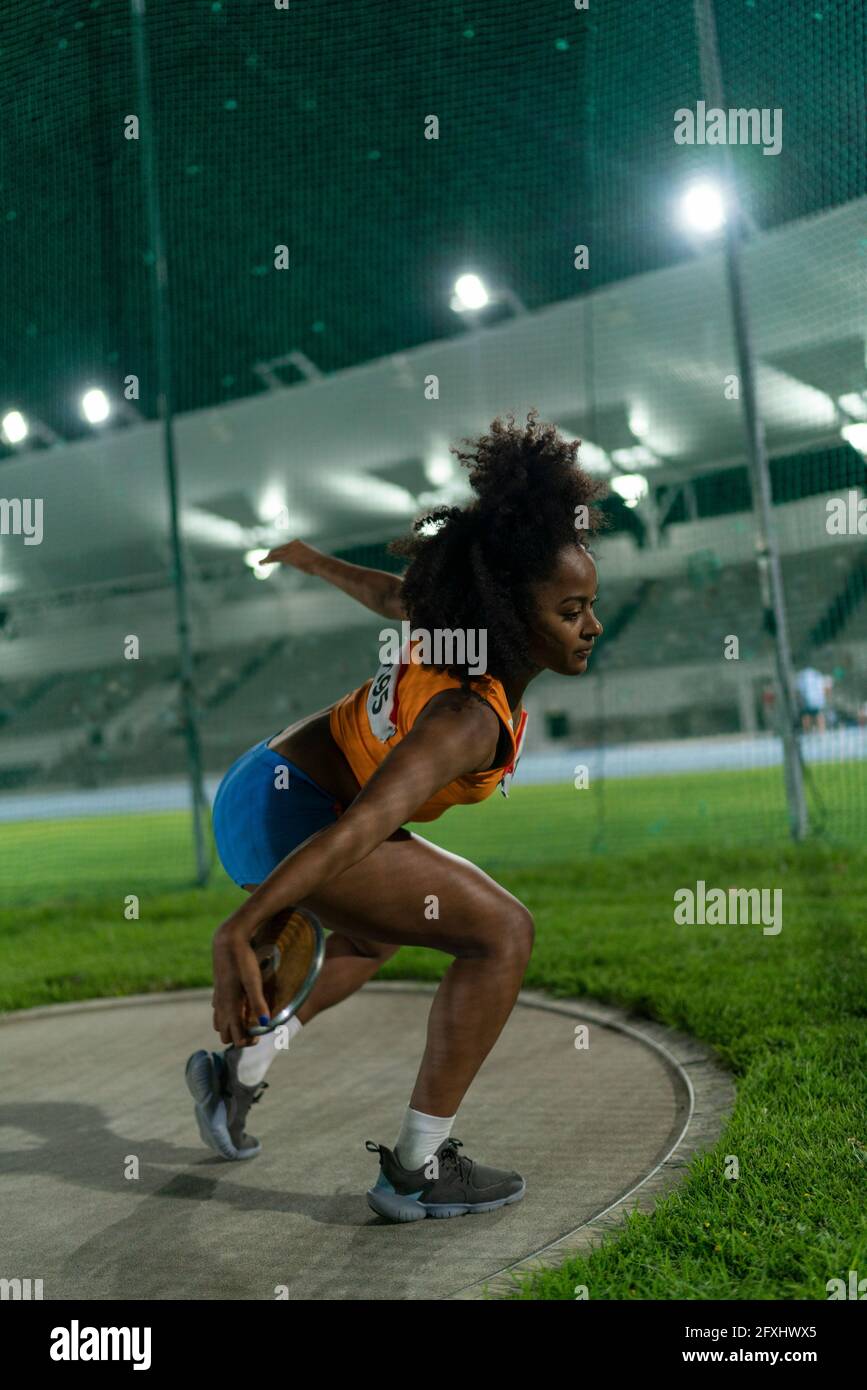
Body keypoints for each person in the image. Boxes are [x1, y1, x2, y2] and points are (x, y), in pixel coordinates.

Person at [186, 410, 605, 1221]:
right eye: (570, 610)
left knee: (380, 930)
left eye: (589, 603)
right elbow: (361, 831)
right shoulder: (465, 720)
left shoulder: (452, 626)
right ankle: (415, 1170)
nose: (592, 625)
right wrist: (239, 928)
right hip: (301, 815)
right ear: (514, 618)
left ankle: (237, 1071)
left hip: (261, 781)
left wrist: (309, 560)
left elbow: (388, 592)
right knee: (501, 934)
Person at [796, 665, 831, 733]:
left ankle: (808, 732)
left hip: (808, 700)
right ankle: (821, 732)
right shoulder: (818, 676)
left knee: (806, 716)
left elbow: (798, 690)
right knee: (818, 715)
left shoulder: (802, 676)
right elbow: (826, 689)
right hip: (818, 700)